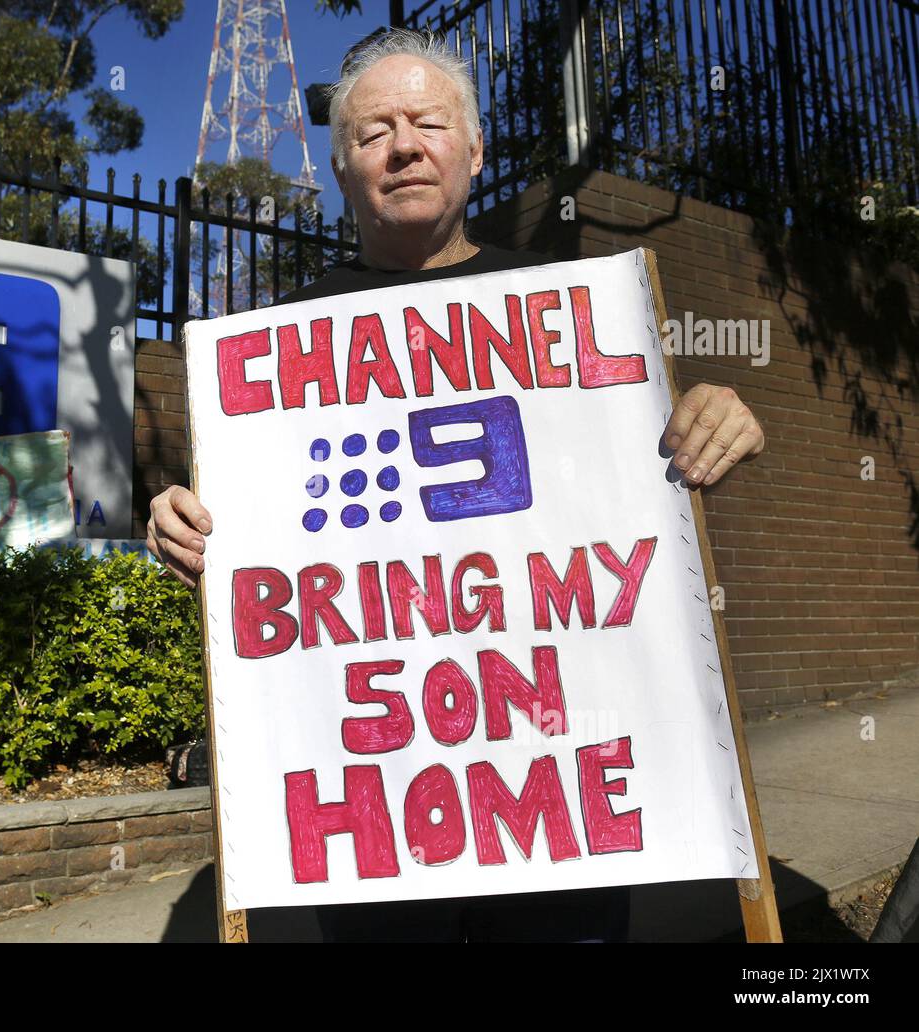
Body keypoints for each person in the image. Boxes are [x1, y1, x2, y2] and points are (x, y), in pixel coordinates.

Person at [147, 27, 766, 942]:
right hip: (376, 827)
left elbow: (645, 479)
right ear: (341, 168)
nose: (402, 145)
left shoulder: (574, 314)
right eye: (372, 133)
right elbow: (250, 557)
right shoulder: (270, 355)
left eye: (428, 122)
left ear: (473, 151)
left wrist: (720, 415)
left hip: (563, 802)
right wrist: (184, 528)